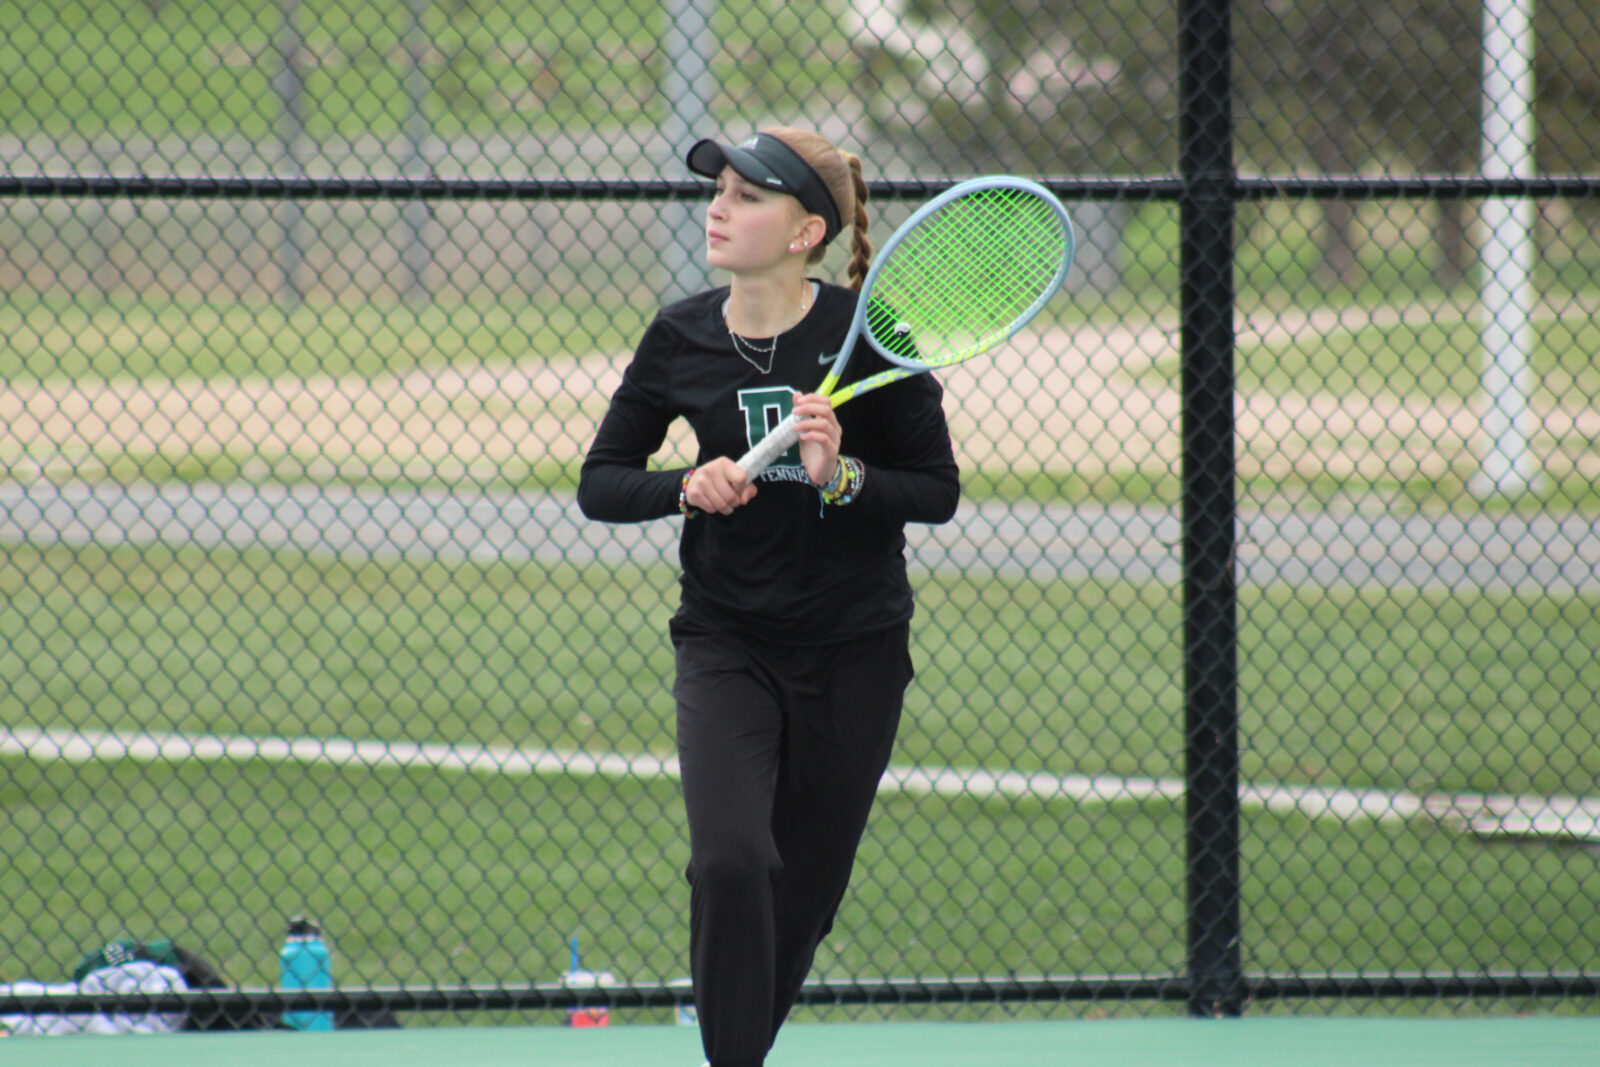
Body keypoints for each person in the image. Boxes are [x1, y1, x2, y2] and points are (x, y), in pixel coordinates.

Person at [577, 126, 959, 1067]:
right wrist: (683, 485)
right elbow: (600, 480)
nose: (719, 208)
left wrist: (842, 477)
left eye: (749, 196)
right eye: (720, 190)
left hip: (856, 651)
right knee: (732, 863)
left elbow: (938, 490)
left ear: (804, 233)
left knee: (800, 901)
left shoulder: (872, 337)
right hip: (727, 641)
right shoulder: (679, 334)